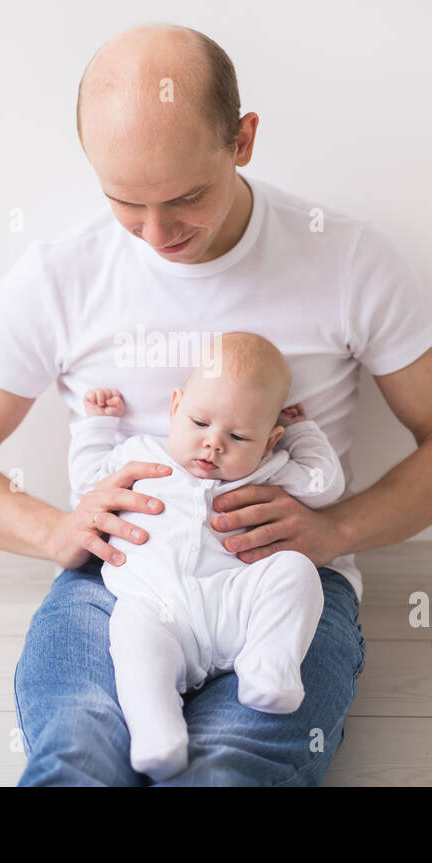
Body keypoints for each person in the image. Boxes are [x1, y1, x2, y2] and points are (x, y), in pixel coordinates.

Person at [0, 22, 432, 785]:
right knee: (79, 749)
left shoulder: (348, 257)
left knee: (234, 764)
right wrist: (55, 530)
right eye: (126, 202)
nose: (157, 234)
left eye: (186, 197)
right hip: (119, 585)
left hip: (281, 581)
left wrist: (334, 530)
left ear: (243, 139)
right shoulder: (60, 276)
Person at [71, 332, 345, 782]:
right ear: (175, 406)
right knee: (132, 637)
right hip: (157, 610)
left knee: (295, 570)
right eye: (199, 423)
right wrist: (98, 427)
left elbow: (323, 484)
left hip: (236, 606)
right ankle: (157, 733)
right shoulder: (141, 454)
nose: (213, 444)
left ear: (270, 439)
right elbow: (88, 484)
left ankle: (269, 666)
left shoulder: (271, 467)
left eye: (239, 436)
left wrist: (304, 433)